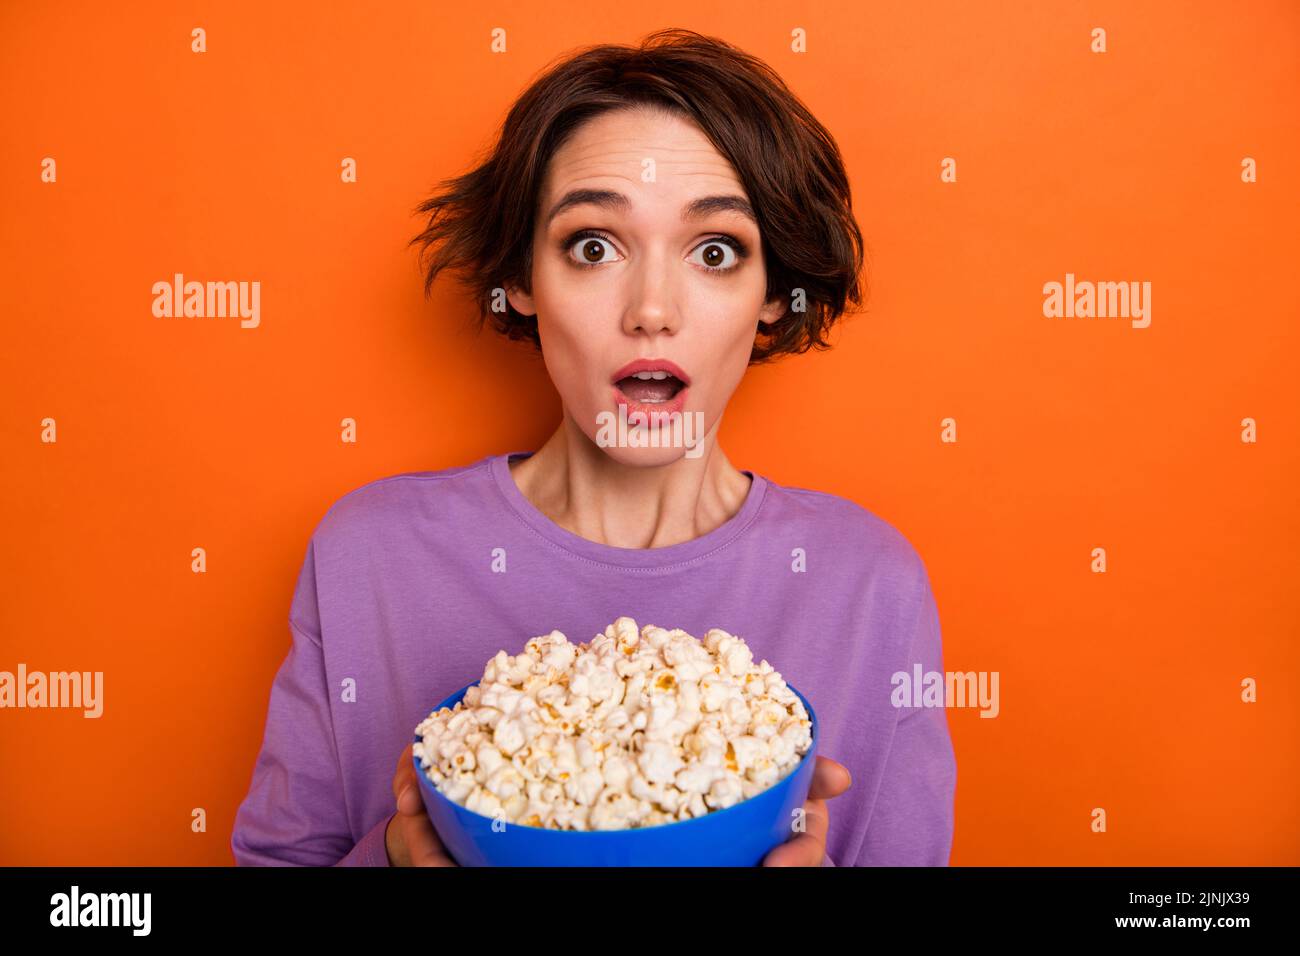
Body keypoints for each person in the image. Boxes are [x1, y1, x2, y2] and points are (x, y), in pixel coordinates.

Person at [231, 28, 955, 867]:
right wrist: (396, 856)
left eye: (715, 252)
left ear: (773, 295)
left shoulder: (868, 585)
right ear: (521, 281)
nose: (651, 308)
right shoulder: (369, 556)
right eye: (593, 246)